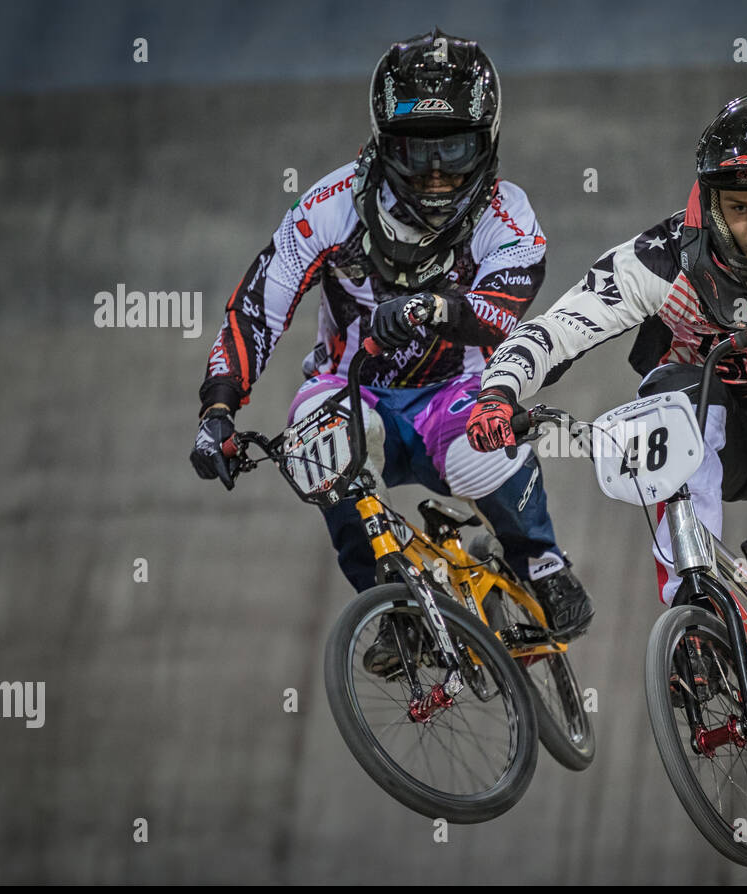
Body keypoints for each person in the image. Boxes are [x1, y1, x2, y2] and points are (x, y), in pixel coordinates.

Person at [466, 89, 747, 694]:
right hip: (707, 439)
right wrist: (497, 392)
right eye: (736, 208)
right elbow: (555, 330)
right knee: (665, 392)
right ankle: (697, 618)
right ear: (709, 202)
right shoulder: (661, 258)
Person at [189, 29, 593, 642]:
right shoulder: (327, 208)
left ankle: (544, 564)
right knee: (316, 445)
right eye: (415, 151)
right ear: (382, 144)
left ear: (487, 142)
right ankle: (389, 607)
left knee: (485, 436)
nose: (435, 176)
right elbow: (256, 311)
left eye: (454, 150)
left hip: (455, 389)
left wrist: (428, 309)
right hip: (352, 390)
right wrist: (217, 409)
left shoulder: (509, 214)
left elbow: (502, 315)